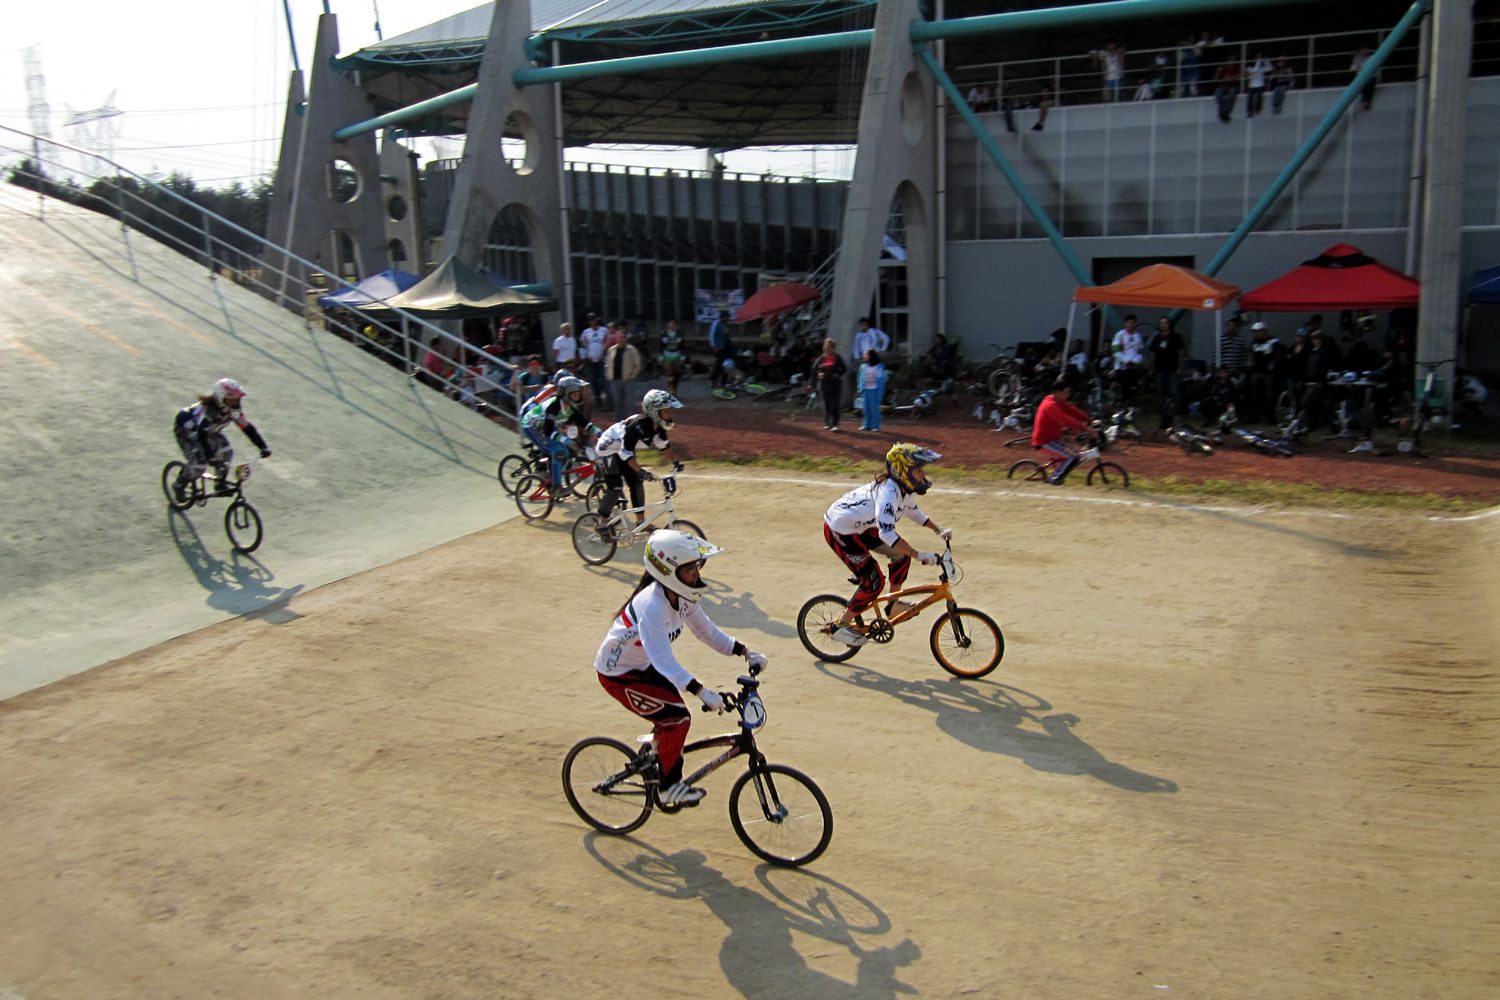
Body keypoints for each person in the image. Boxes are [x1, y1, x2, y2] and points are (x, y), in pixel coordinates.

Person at [594, 530, 769, 807]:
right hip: (619, 674)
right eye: (689, 568)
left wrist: (746, 652)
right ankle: (667, 787)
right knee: (677, 719)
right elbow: (664, 661)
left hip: (643, 665)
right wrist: (701, 691)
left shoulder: (683, 595)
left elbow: (707, 632)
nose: (697, 574)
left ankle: (658, 751)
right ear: (668, 571)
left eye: (696, 567)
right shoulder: (653, 607)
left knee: (673, 716)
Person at [822, 444, 951, 646]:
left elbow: (913, 512)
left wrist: (938, 529)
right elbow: (887, 534)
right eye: (918, 470)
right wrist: (920, 555)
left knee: (902, 555)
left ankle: (892, 605)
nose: (922, 474)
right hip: (841, 531)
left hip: (862, 526)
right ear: (901, 471)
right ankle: (840, 626)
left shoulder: (903, 489)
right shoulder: (888, 495)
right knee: (874, 583)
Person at [595, 389, 683, 533]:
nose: (670, 415)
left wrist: (675, 462)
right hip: (609, 450)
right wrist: (641, 470)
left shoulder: (658, 427)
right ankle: (602, 524)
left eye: (670, 411)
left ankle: (640, 522)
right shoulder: (638, 426)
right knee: (616, 488)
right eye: (667, 412)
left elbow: (664, 446)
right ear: (655, 412)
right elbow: (624, 452)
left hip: (624, 451)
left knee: (636, 483)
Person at [173, 378, 272, 495]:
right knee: (199, 465)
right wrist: (210, 456)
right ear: (221, 399)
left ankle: (220, 483)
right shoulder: (210, 412)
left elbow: (248, 429)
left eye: (237, 400)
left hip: (210, 430)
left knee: (227, 452)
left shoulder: (233, 411)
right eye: (231, 401)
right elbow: (202, 436)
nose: (235, 404)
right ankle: (179, 484)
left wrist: (262, 447)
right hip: (188, 430)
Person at [521, 375, 589, 490]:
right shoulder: (550, 390)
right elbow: (535, 406)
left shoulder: (565, 397)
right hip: (530, 414)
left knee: (558, 444)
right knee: (553, 450)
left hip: (546, 418)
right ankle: (541, 469)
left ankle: (551, 472)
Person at [1031, 376, 1093, 484]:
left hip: (1054, 440)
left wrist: (1089, 420)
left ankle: (1057, 476)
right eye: (1066, 392)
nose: (1068, 395)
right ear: (1058, 392)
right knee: (1073, 457)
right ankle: (1055, 478)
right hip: (1044, 442)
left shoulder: (1060, 402)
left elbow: (1074, 411)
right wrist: (1086, 428)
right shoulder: (1050, 405)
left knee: (1075, 455)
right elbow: (1066, 420)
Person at [1149, 316, 1186, 424]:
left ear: (1169, 324)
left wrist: (1180, 367)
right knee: (1160, 392)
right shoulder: (1157, 338)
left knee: (1175, 392)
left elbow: (1181, 352)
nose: (1163, 325)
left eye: (1165, 323)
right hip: (1160, 370)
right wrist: (1151, 368)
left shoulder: (1175, 337)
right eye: (1161, 323)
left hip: (1173, 370)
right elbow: (1153, 354)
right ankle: (1161, 413)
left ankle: (1177, 414)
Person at [1247, 323, 1282, 423]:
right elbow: (1253, 356)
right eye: (1255, 332)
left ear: (1264, 330)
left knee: (1270, 395)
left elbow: (1278, 355)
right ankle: (1254, 417)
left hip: (1269, 372)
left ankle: (1271, 418)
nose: (1256, 334)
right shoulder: (1254, 343)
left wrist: (1273, 364)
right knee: (1254, 395)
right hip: (1256, 371)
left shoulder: (1274, 341)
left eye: (1258, 331)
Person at [812, 338, 848, 432]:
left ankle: (835, 424)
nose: (827, 349)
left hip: (835, 383)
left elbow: (844, 368)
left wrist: (838, 374)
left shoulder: (837, 357)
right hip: (824, 383)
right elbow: (814, 369)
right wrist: (819, 373)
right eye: (825, 347)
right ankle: (828, 423)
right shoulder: (821, 358)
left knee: (835, 403)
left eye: (829, 347)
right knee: (826, 403)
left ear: (833, 348)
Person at [604, 334, 642, 416]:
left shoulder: (631, 350)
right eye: (619, 337)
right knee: (618, 403)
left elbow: (637, 364)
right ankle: (619, 423)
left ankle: (630, 423)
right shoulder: (611, 350)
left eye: (623, 337)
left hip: (628, 380)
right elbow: (607, 364)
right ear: (617, 339)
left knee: (629, 403)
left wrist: (633, 375)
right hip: (615, 380)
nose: (621, 339)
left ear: (626, 338)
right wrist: (608, 375)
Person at [1111, 315, 1146, 400]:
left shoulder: (1138, 336)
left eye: (1133, 322)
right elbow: (1115, 351)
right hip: (1121, 367)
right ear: (1125, 323)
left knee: (1130, 386)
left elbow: (1140, 351)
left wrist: (1136, 360)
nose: (1131, 324)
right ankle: (1120, 403)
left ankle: (1129, 403)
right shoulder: (1120, 335)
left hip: (1133, 366)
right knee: (1121, 386)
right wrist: (1126, 360)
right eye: (1129, 323)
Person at [581, 316, 611, 408]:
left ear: (596, 320)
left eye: (593, 319)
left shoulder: (604, 330)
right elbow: (584, 345)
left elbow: (609, 341)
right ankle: (598, 400)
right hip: (591, 361)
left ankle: (608, 402)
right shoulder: (586, 332)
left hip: (602, 360)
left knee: (605, 381)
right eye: (589, 320)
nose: (591, 321)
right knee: (593, 381)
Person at [858, 349, 886, 432]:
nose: (864, 356)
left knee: (874, 409)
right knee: (866, 408)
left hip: (874, 390)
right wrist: (860, 388)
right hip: (866, 390)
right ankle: (867, 424)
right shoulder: (863, 366)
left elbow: (881, 380)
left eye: (866, 355)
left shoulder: (878, 367)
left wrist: (880, 393)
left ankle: (876, 426)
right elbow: (860, 378)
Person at [660, 319, 686, 396]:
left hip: (677, 355)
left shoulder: (680, 333)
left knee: (677, 374)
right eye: (670, 323)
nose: (672, 325)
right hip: (667, 356)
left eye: (673, 323)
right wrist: (660, 356)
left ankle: (674, 390)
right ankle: (671, 392)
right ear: (668, 324)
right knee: (669, 375)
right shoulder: (663, 334)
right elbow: (661, 346)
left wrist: (683, 356)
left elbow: (682, 346)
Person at [708, 310, 732, 387]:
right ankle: (713, 379)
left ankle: (724, 380)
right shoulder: (717, 323)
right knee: (719, 364)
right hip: (719, 347)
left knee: (726, 364)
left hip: (725, 346)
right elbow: (712, 335)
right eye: (727, 317)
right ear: (724, 317)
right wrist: (713, 347)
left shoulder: (724, 325)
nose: (728, 319)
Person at [1214, 57, 1241, 123]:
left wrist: (1231, 77)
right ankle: (1225, 112)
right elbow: (1216, 79)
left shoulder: (1237, 67)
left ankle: (1224, 112)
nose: (1231, 61)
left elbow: (1240, 76)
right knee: (1218, 93)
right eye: (1230, 60)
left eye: (1233, 60)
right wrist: (1218, 72)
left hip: (1232, 86)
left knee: (1232, 94)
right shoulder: (1223, 67)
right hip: (1222, 86)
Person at [1351, 45, 1376, 110]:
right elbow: (1353, 68)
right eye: (1363, 50)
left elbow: (1368, 67)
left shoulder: (1372, 57)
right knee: (1363, 84)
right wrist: (1356, 58)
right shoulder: (1358, 58)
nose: (1364, 51)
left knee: (1369, 83)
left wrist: (1360, 67)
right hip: (1361, 77)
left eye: (1366, 49)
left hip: (1371, 76)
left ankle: (1366, 102)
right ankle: (1366, 102)